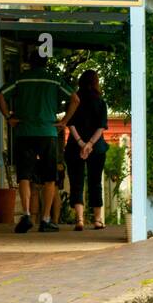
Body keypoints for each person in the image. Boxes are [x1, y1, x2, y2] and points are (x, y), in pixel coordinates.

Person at [0, 51, 79, 233]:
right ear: (46, 62)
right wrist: (64, 121)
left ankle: (26, 214)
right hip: (48, 132)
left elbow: (0, 95)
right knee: (50, 177)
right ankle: (46, 219)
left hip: (24, 132)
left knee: (24, 175)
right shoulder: (54, 80)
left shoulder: (21, 79)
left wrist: (8, 116)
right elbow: (75, 99)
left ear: (29, 62)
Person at [61, 69, 109, 230]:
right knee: (95, 182)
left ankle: (79, 220)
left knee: (76, 182)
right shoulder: (101, 102)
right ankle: (97, 220)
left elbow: (70, 123)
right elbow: (101, 127)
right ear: (96, 83)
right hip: (97, 147)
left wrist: (81, 143)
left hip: (75, 147)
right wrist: (90, 144)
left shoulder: (74, 100)